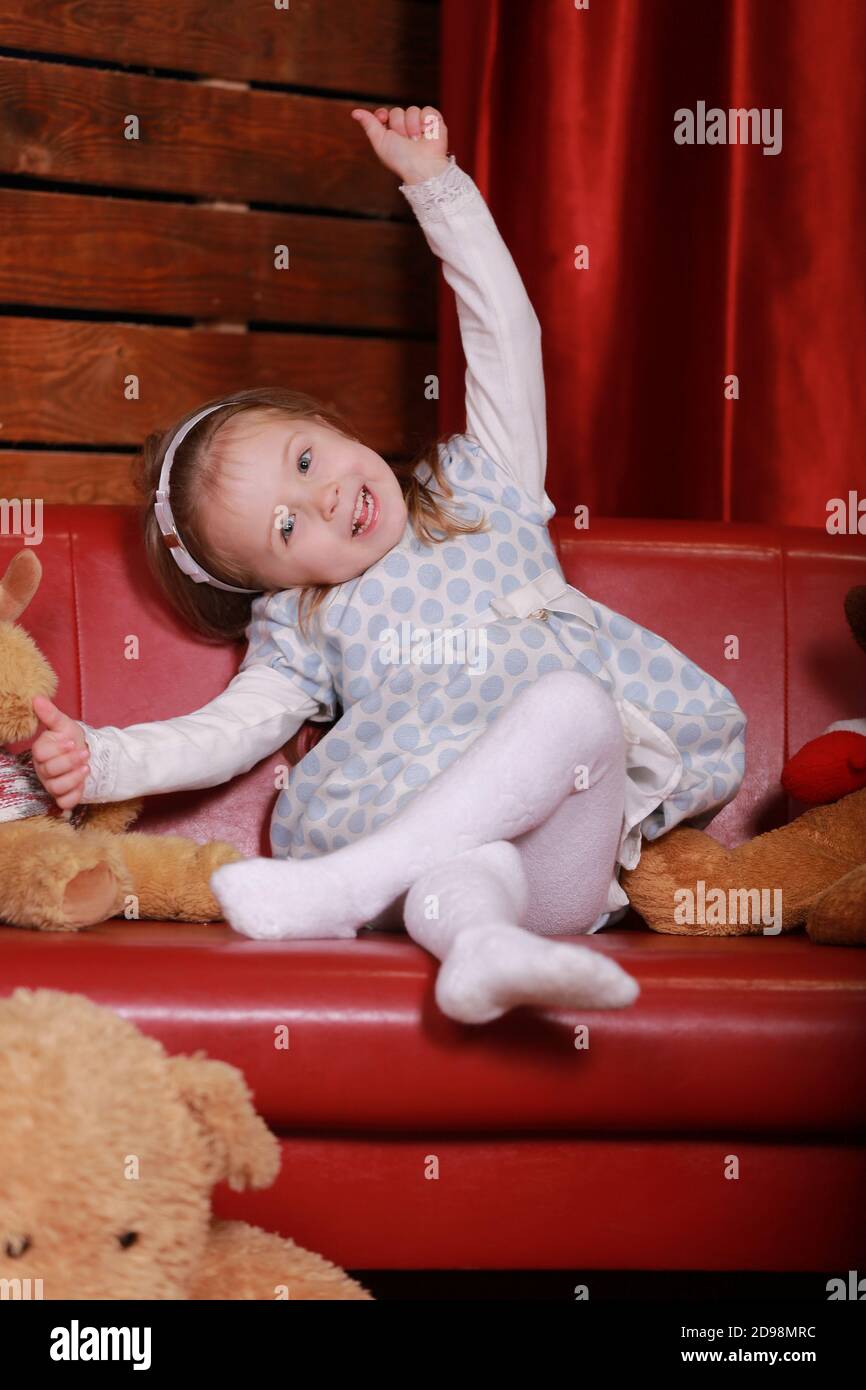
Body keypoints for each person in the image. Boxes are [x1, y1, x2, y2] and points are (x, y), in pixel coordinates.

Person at [31, 105, 746, 1024]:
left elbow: (506, 335)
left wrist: (435, 186)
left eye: (304, 461)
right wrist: (101, 761)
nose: (323, 498)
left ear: (326, 424)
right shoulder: (303, 626)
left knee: (574, 706)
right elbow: (226, 730)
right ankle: (486, 953)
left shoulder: (478, 486)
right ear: (275, 583)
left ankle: (342, 890)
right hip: (459, 886)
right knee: (466, 876)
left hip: (568, 852)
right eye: (286, 532)